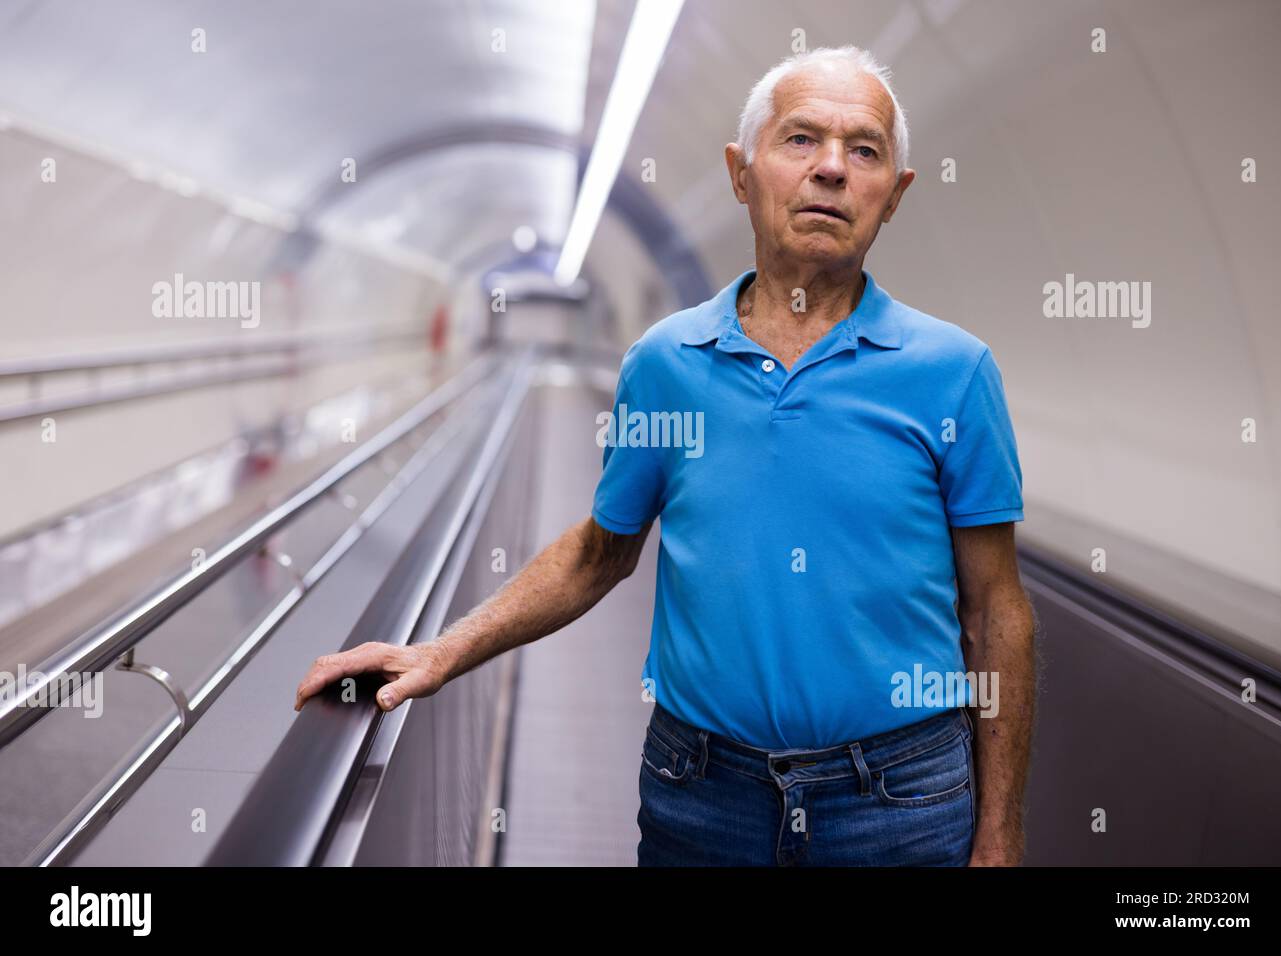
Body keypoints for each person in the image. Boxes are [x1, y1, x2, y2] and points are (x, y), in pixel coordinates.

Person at [295, 45, 1036, 867]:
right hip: (703, 793)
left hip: (900, 802)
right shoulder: (666, 362)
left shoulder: (952, 372)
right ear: (740, 173)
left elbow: (997, 610)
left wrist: (1000, 832)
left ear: (893, 196)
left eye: (864, 150)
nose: (832, 169)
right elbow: (599, 553)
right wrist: (440, 650)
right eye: (800, 140)